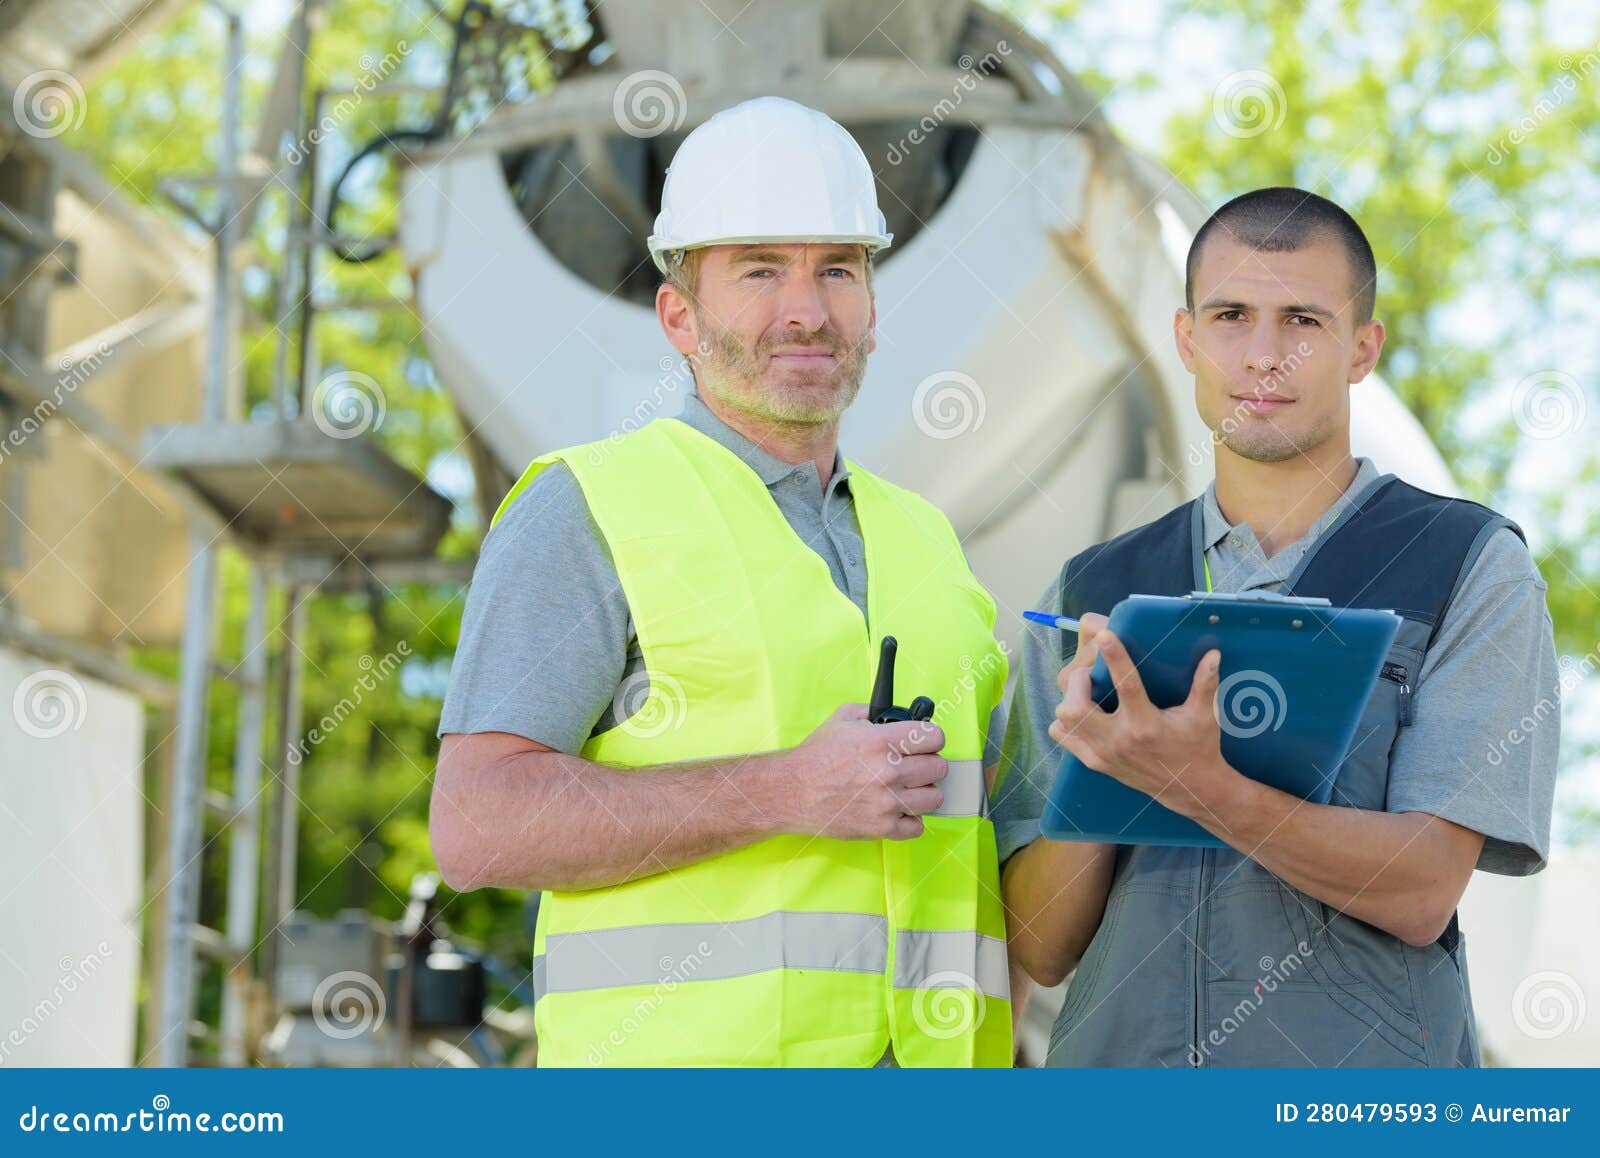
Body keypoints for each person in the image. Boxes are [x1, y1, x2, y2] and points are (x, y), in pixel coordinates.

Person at [429, 97, 1012, 1067]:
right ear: (679, 316)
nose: (805, 310)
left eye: (837, 267)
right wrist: (784, 791)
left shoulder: (928, 545)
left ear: (871, 300)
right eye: (757, 270)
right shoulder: (586, 507)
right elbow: (477, 826)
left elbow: (984, 859)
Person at [994, 186, 1559, 1067]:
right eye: (1230, 316)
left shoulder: (1466, 564)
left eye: (1302, 320)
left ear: (1362, 349)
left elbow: (1420, 890)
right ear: (1187, 339)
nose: (1263, 355)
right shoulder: (1090, 589)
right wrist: (1097, 767)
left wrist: (1199, 784)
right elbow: (1040, 945)